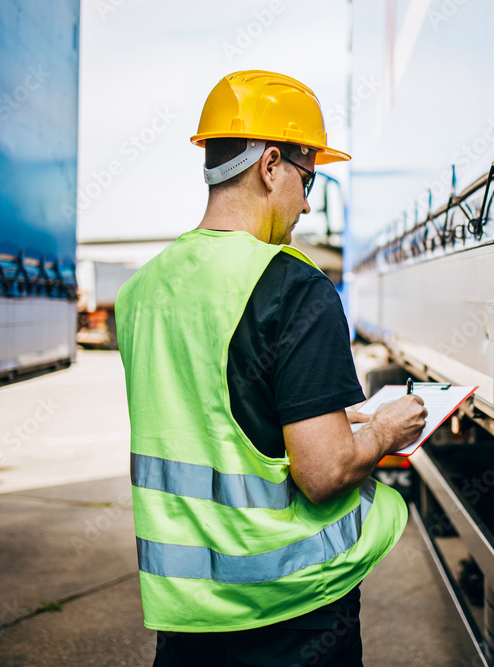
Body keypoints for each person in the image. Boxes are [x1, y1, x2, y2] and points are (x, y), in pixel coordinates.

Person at [115, 70, 427, 666]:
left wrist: (320, 410)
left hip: (188, 613)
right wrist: (385, 430)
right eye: (309, 179)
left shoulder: (140, 292)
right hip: (289, 611)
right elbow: (325, 471)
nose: (308, 203)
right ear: (272, 165)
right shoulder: (292, 286)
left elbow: (214, 408)